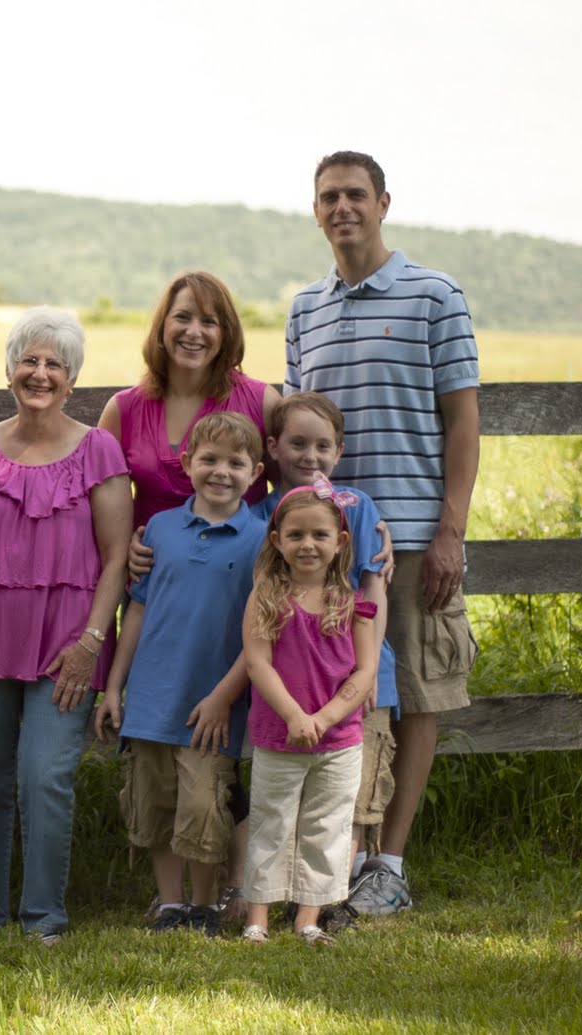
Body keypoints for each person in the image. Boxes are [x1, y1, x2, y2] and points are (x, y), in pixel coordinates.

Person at [285, 151, 480, 915]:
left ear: (383, 203)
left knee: (420, 694)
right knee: (345, 694)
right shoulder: (306, 308)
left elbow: (463, 419)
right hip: (329, 548)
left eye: (355, 195)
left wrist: (449, 532)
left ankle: (390, 865)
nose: (343, 208)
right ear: (316, 210)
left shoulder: (436, 295)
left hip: (416, 535)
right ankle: (344, 858)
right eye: (329, 196)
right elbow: (301, 434)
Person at [0, 308, 131, 944]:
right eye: (29, 360)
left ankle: (43, 916)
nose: (39, 372)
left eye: (54, 364)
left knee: (44, 775)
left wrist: (90, 642)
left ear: (71, 378)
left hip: (67, 644)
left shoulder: (97, 448)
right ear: (8, 370)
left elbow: (116, 558)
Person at [94, 412, 266, 934]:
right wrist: (114, 687)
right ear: (187, 463)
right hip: (151, 696)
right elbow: (137, 613)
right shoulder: (161, 530)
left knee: (204, 805)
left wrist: (225, 696)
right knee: (156, 804)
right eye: (209, 459)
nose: (221, 472)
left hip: (212, 703)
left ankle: (204, 903)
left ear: (256, 472)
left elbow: (260, 634)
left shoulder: (260, 539)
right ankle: (170, 903)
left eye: (236, 463)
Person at [256, 392, 396, 930]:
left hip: (355, 674)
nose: (309, 455)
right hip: (288, 682)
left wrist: (370, 672)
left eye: (322, 445)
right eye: (297, 443)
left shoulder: (356, 509)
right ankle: (277, 899)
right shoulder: (260, 517)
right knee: (282, 796)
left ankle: (329, 902)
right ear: (272, 448)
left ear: (339, 451)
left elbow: (371, 586)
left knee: (350, 801)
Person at [240, 478, 378, 946]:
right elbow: (257, 663)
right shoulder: (267, 597)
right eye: (296, 535)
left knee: (327, 827)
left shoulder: (353, 603)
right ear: (277, 541)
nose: (308, 545)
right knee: (270, 822)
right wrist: (296, 715)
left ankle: (308, 918)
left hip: (339, 741)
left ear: (340, 542)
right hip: (279, 735)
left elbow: (363, 673)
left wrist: (323, 718)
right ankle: (257, 918)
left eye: (320, 535)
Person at [99, 270, 279, 537]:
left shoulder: (261, 402)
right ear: (162, 325)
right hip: (152, 570)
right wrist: (125, 547)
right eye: (182, 317)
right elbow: (101, 507)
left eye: (209, 322)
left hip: (241, 570)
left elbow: (292, 494)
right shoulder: (123, 410)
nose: (193, 332)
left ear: (225, 333)